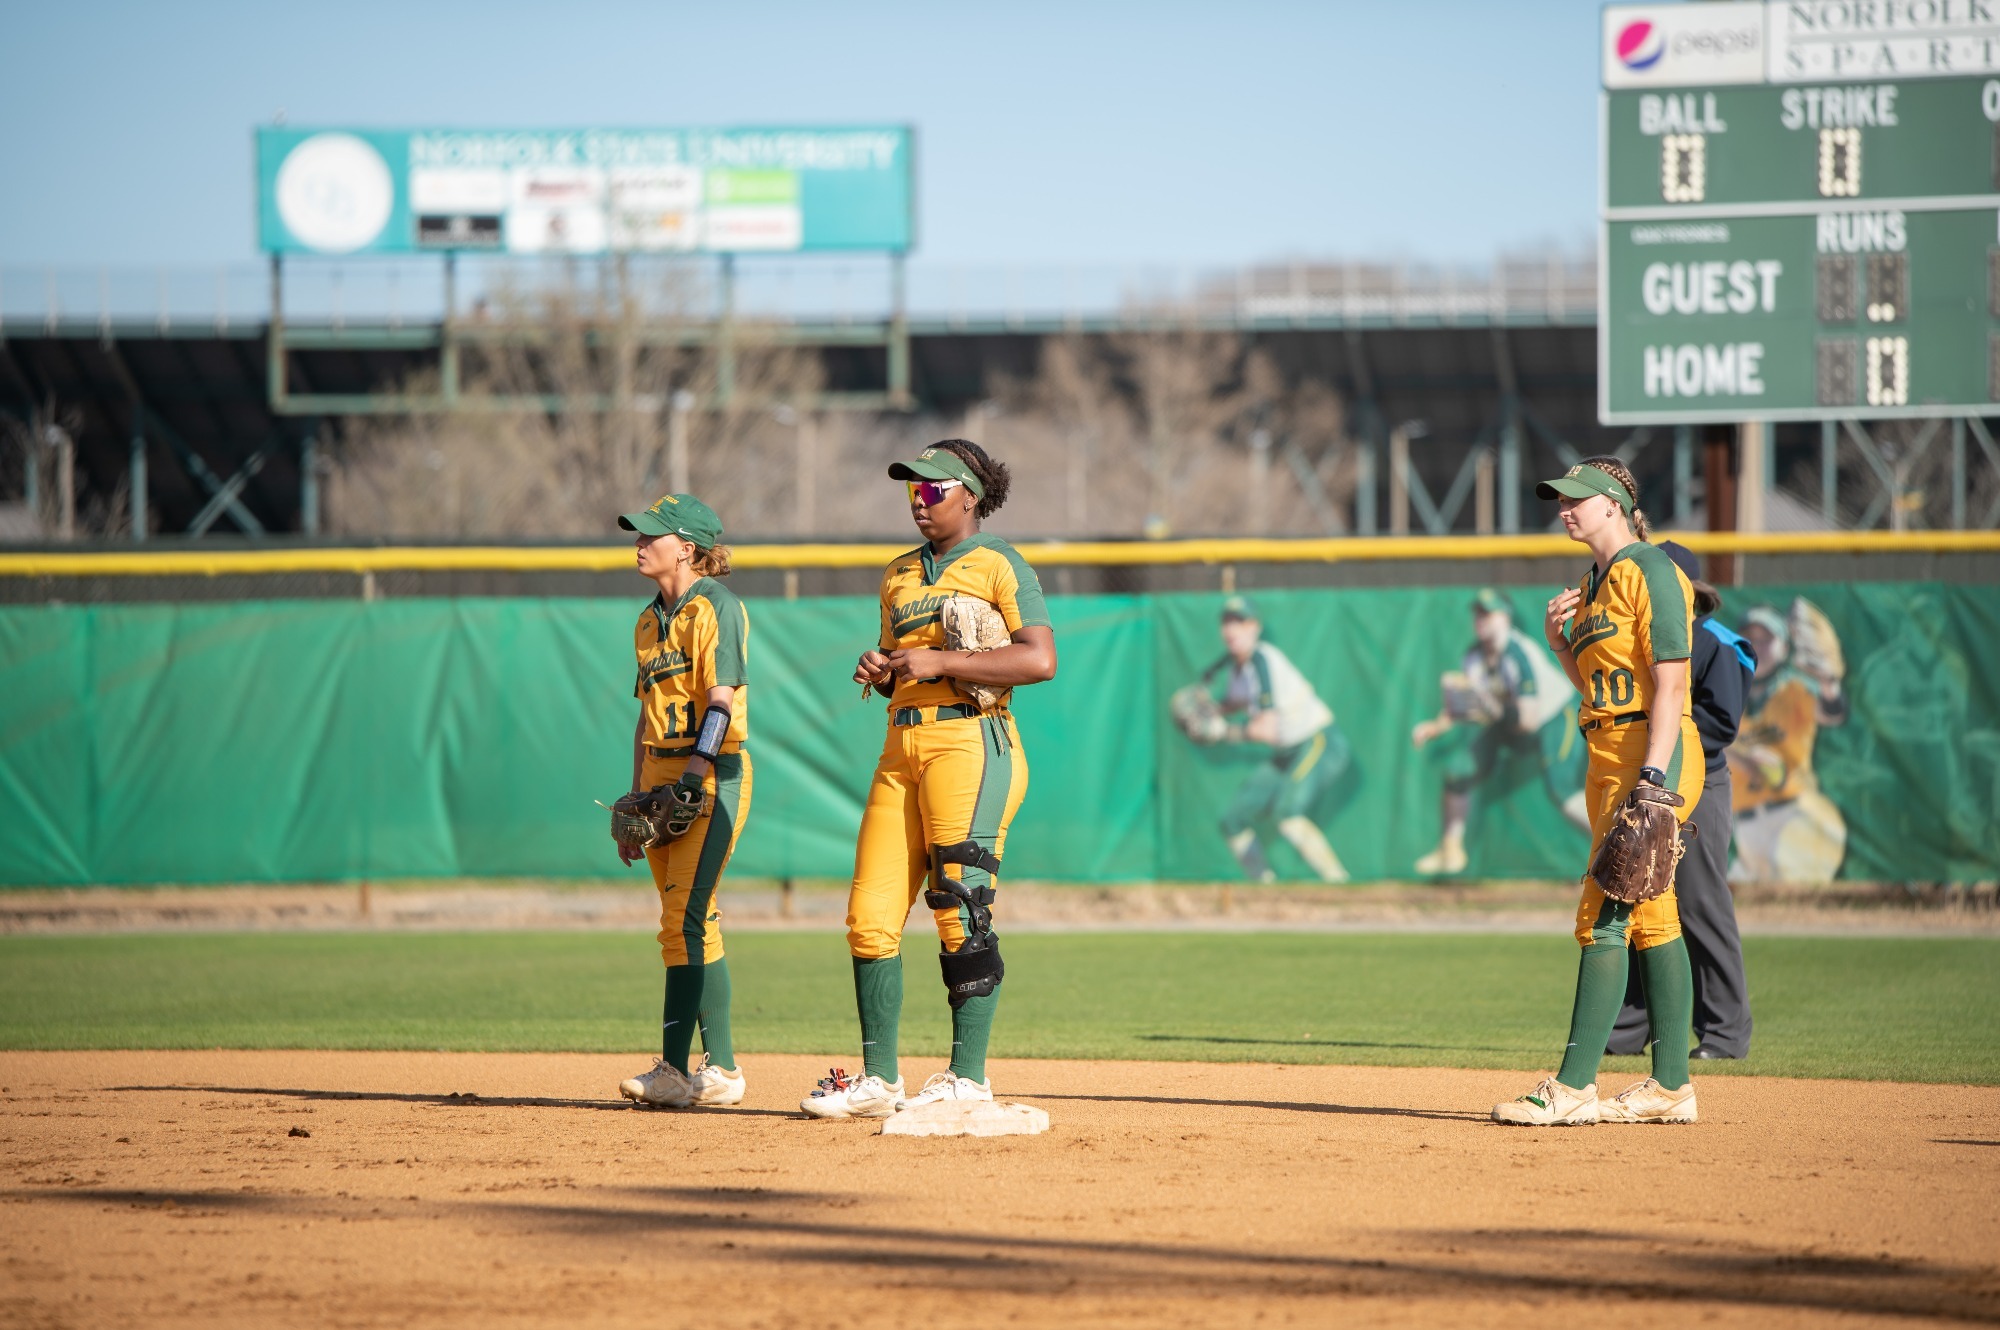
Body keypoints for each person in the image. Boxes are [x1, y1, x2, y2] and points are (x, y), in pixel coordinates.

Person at [801, 440, 1057, 1119]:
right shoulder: (898, 574)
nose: (919, 497)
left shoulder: (999, 562)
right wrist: (883, 669)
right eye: (912, 486)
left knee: (958, 907)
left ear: (970, 495)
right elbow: (904, 666)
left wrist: (941, 661)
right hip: (902, 745)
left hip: (971, 743)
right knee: (869, 917)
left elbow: (1039, 660)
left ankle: (967, 1078)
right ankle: (879, 1080)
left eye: (933, 486)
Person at [1493, 457, 1705, 1127]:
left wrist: (1653, 777)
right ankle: (1671, 1086)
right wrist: (1559, 645)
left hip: (1652, 751)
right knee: (1652, 917)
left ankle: (1574, 1085)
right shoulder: (1590, 584)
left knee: (1602, 915)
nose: (1564, 509)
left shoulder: (1651, 570)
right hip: (1605, 754)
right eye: (1560, 500)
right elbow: (1597, 687)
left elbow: (1671, 683)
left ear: (1614, 503)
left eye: (1576, 499)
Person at [611, 494, 753, 1109]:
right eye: (638, 534)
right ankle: (722, 1071)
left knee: (684, 920)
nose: (640, 544)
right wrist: (636, 793)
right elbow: (646, 720)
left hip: (712, 776)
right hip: (661, 776)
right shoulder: (648, 621)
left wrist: (694, 775)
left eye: (652, 536)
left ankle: (672, 1070)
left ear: (686, 548)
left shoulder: (716, 606)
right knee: (690, 922)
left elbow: (720, 703)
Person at [1607, 540, 1756, 1061]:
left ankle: (1724, 1032)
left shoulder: (1716, 640)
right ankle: (1628, 1030)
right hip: (1644, 779)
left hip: (1700, 781)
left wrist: (1662, 742)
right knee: (1632, 892)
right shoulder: (1640, 636)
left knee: (1698, 901)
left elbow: (1722, 723)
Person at [1411, 588, 1589, 876]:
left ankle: (1618, 844)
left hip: (1556, 717)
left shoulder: (1517, 653)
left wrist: (1491, 709)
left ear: (1505, 617)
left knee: (1563, 793)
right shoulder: (1474, 657)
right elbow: (1464, 703)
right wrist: (1435, 726)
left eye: (1488, 613)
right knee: (1458, 769)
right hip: (1511, 721)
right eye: (1477, 613)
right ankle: (1450, 849)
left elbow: (1527, 720)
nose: (1480, 619)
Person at [1198, 596, 1354, 883]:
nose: (1231, 629)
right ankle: (1265, 887)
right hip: (1287, 751)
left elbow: (1266, 731)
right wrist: (1202, 714)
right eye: (1227, 622)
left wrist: (1222, 731)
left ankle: (1337, 883)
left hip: (1318, 741)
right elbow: (1230, 704)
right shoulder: (1236, 669)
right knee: (1232, 820)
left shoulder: (1261, 660)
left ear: (1254, 627)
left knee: (1288, 812)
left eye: (1240, 622)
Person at [1729, 601, 1849, 883]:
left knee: (1795, 887)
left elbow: (1832, 713)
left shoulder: (1794, 688)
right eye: (1750, 638)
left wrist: (1829, 683)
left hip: (1796, 815)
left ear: (1784, 647)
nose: (1757, 646)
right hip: (1745, 823)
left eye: (1766, 639)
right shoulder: (1728, 690)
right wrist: (1744, 760)